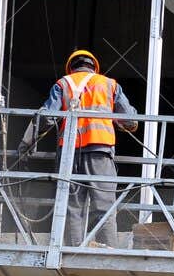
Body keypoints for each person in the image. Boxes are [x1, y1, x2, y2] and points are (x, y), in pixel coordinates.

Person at [16, 49, 137, 247]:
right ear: (94, 67)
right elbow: (130, 120)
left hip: (69, 156)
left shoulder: (63, 84)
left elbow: (47, 117)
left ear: (71, 68)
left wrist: (27, 143)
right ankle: (109, 253)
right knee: (104, 207)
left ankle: (73, 252)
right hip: (100, 152)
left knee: (72, 208)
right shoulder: (109, 84)